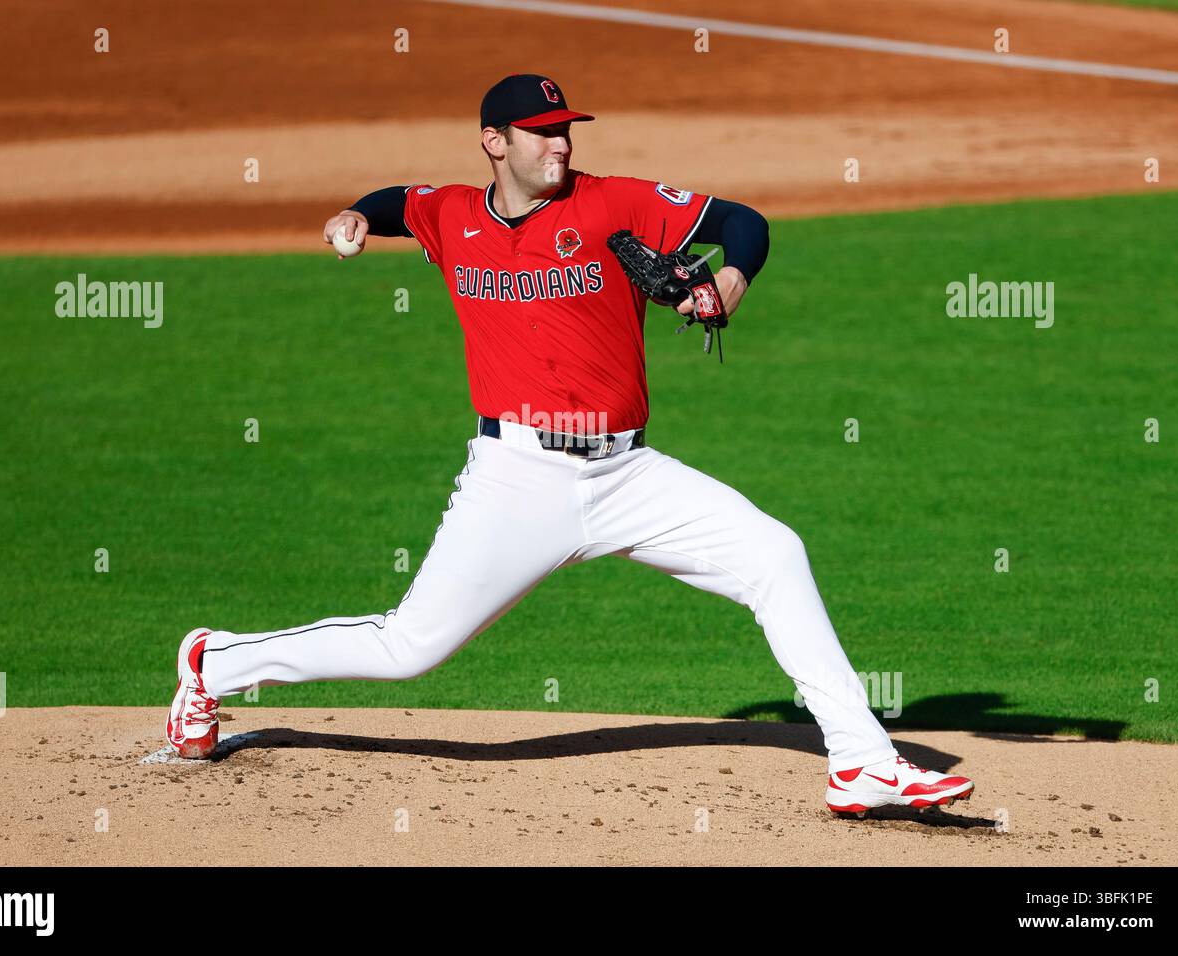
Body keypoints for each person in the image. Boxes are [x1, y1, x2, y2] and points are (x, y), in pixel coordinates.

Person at [166, 74, 974, 818]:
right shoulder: (452, 216)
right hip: (516, 478)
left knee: (775, 554)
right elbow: (399, 202)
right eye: (543, 131)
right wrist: (353, 216)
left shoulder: (613, 203)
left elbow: (741, 222)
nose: (561, 144)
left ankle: (862, 762)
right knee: (408, 648)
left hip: (629, 474)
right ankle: (213, 663)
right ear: (496, 141)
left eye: (567, 131)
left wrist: (730, 278)